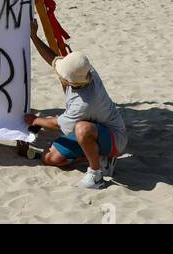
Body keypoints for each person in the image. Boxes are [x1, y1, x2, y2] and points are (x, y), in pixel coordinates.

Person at [24, 42, 127, 189]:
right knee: (49, 157)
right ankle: (100, 159)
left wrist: (36, 120)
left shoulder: (84, 103)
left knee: (82, 129)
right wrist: (34, 37)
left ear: (71, 81)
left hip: (114, 138)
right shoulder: (87, 72)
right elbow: (53, 61)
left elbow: (57, 124)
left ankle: (95, 174)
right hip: (94, 131)